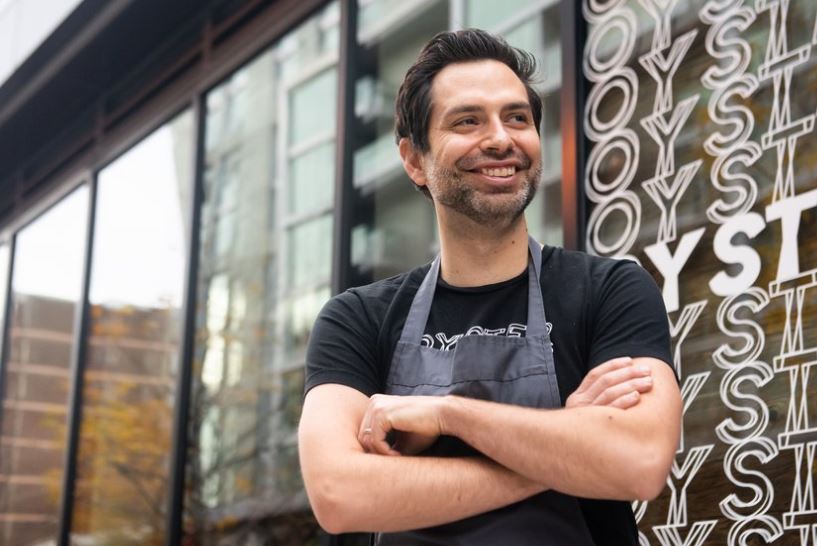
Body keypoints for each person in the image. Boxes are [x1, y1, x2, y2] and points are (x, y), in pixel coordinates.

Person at [298, 29, 681, 545]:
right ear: (414, 159)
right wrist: (566, 447)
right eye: (467, 120)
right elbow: (339, 494)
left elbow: (636, 462)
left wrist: (447, 414)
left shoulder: (610, 289)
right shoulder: (358, 319)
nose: (501, 138)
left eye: (517, 118)